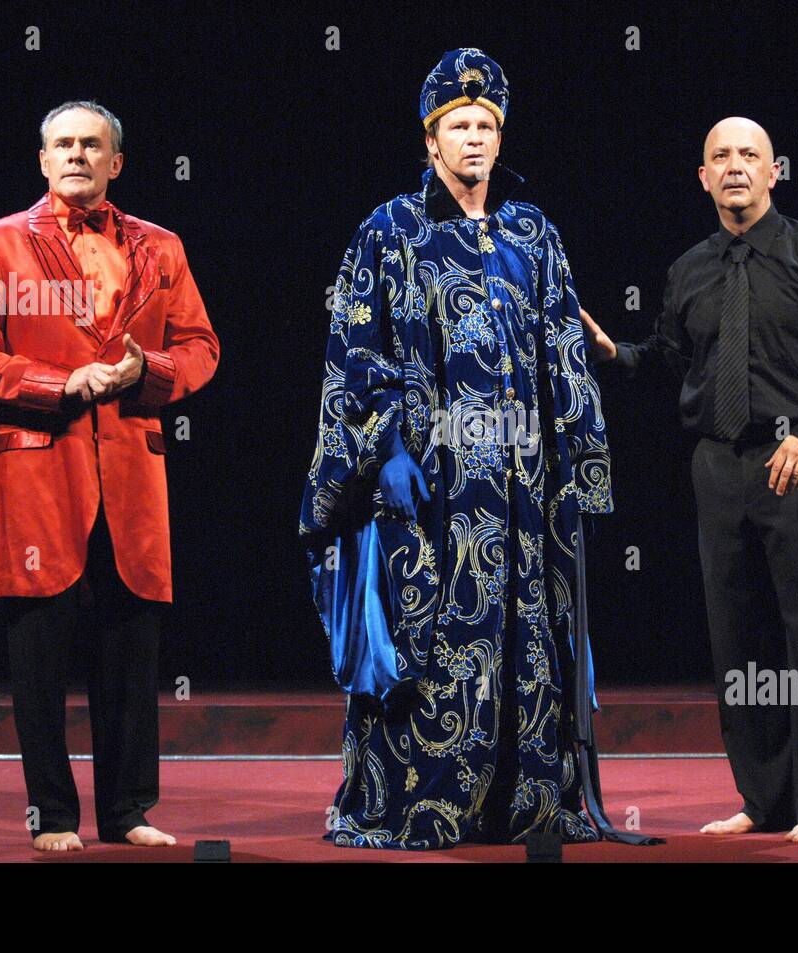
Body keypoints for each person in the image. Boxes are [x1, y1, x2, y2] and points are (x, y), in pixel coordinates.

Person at [300, 49, 613, 849]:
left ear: (501, 138)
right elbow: (355, 350)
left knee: (526, 632)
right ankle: (422, 801)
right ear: (430, 139)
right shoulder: (390, 230)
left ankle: (525, 802)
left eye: (485, 126)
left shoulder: (533, 231)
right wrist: (384, 453)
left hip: (525, 483)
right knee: (434, 640)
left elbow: (564, 347)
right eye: (457, 127)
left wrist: (581, 466)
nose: (473, 140)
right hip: (434, 486)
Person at [581, 117, 798, 842]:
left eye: (748, 155)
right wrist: (615, 354)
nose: (734, 167)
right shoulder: (690, 267)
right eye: (720, 157)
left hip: (797, 464)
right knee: (738, 640)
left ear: (772, 170)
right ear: (702, 176)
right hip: (717, 468)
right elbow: (672, 355)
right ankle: (762, 797)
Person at [0, 100, 219, 851]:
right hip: (41, 473)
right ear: (42, 160)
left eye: (91, 145)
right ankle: (54, 816)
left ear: (115, 162)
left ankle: (129, 811)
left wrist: (146, 371)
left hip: (132, 472)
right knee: (39, 656)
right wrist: (58, 384)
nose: (76, 155)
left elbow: (200, 347)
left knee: (131, 650)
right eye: (62, 144)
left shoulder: (162, 247)